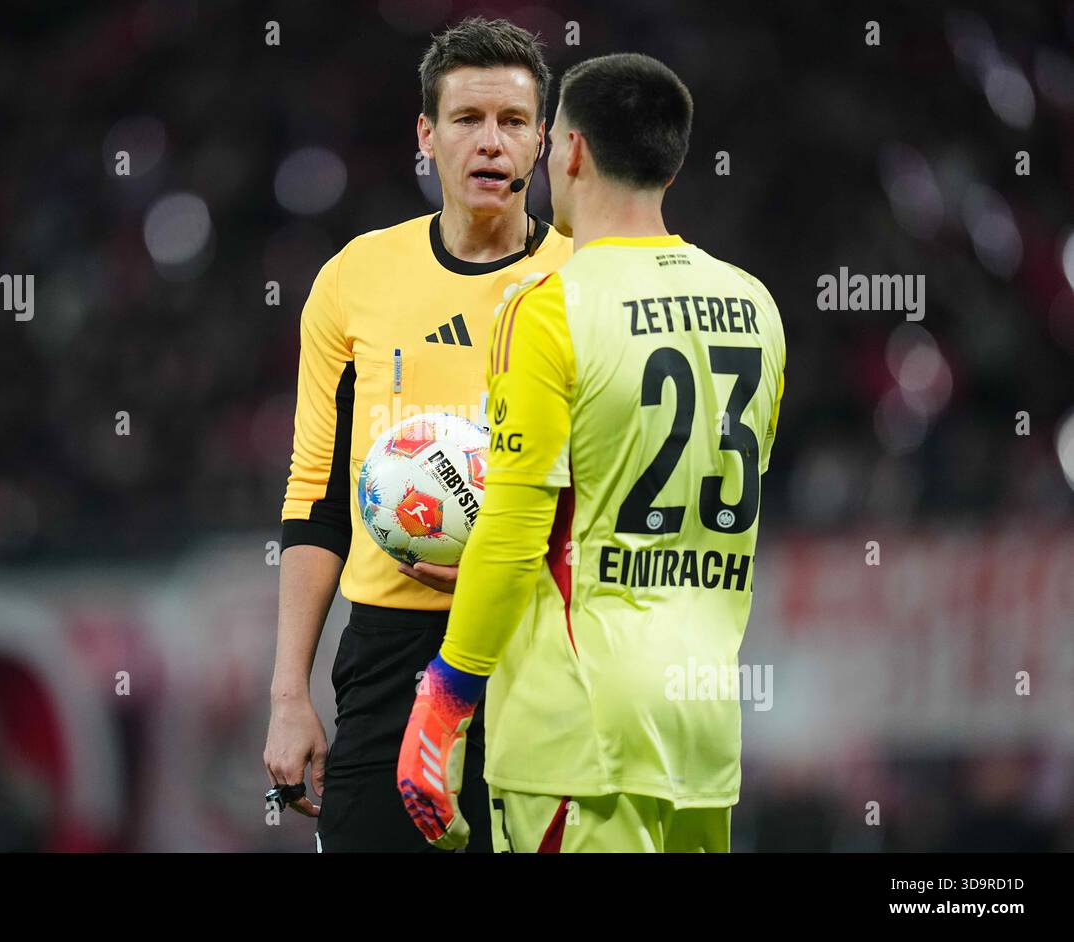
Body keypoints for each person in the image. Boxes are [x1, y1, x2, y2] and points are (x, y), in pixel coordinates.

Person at [396, 52, 787, 852]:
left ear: (568, 151)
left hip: (579, 734)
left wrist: (444, 699)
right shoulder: (755, 304)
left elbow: (512, 528)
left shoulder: (546, 310)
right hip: (700, 726)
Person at [265, 16, 574, 852]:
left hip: (537, 646)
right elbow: (317, 496)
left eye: (513, 123)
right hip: (389, 656)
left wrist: (513, 554)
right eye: (468, 120)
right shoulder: (354, 279)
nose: (490, 143)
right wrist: (290, 693)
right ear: (426, 135)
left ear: (543, 142)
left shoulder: (582, 284)